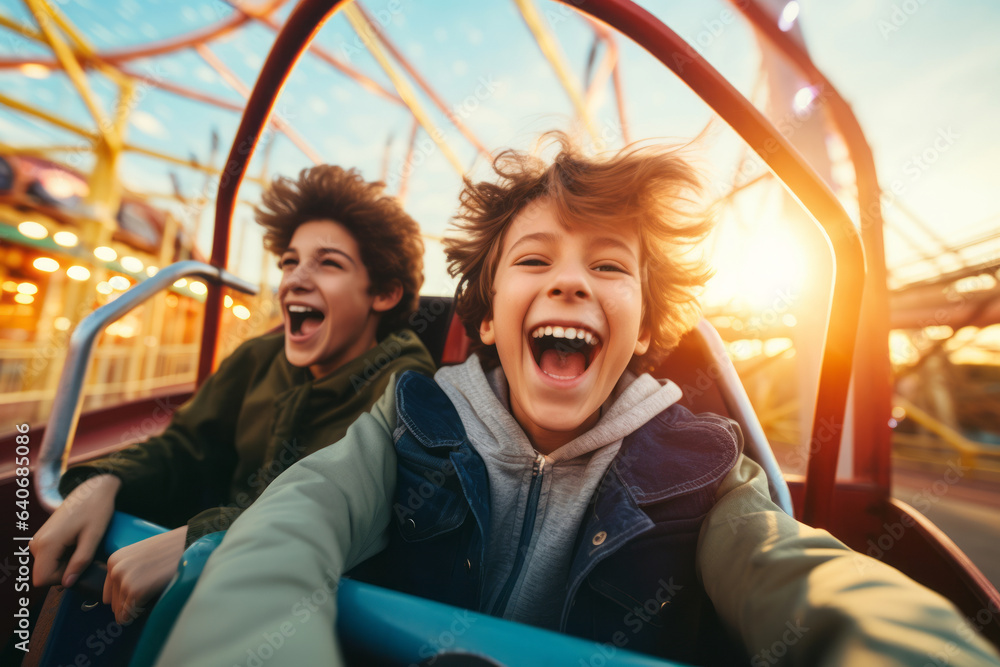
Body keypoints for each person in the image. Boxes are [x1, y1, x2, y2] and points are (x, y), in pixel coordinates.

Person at [154, 136, 1000, 666]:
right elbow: (288, 531)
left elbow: (798, 575)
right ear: (486, 318)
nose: (568, 278)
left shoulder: (704, 474)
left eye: (607, 265)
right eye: (534, 261)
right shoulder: (411, 420)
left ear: (641, 332)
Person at [30, 165, 436, 623]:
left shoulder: (406, 392)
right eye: (289, 261)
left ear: (382, 293)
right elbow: (188, 447)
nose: (295, 279)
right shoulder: (260, 355)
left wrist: (203, 541)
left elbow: (333, 515)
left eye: (328, 263)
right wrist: (107, 480)